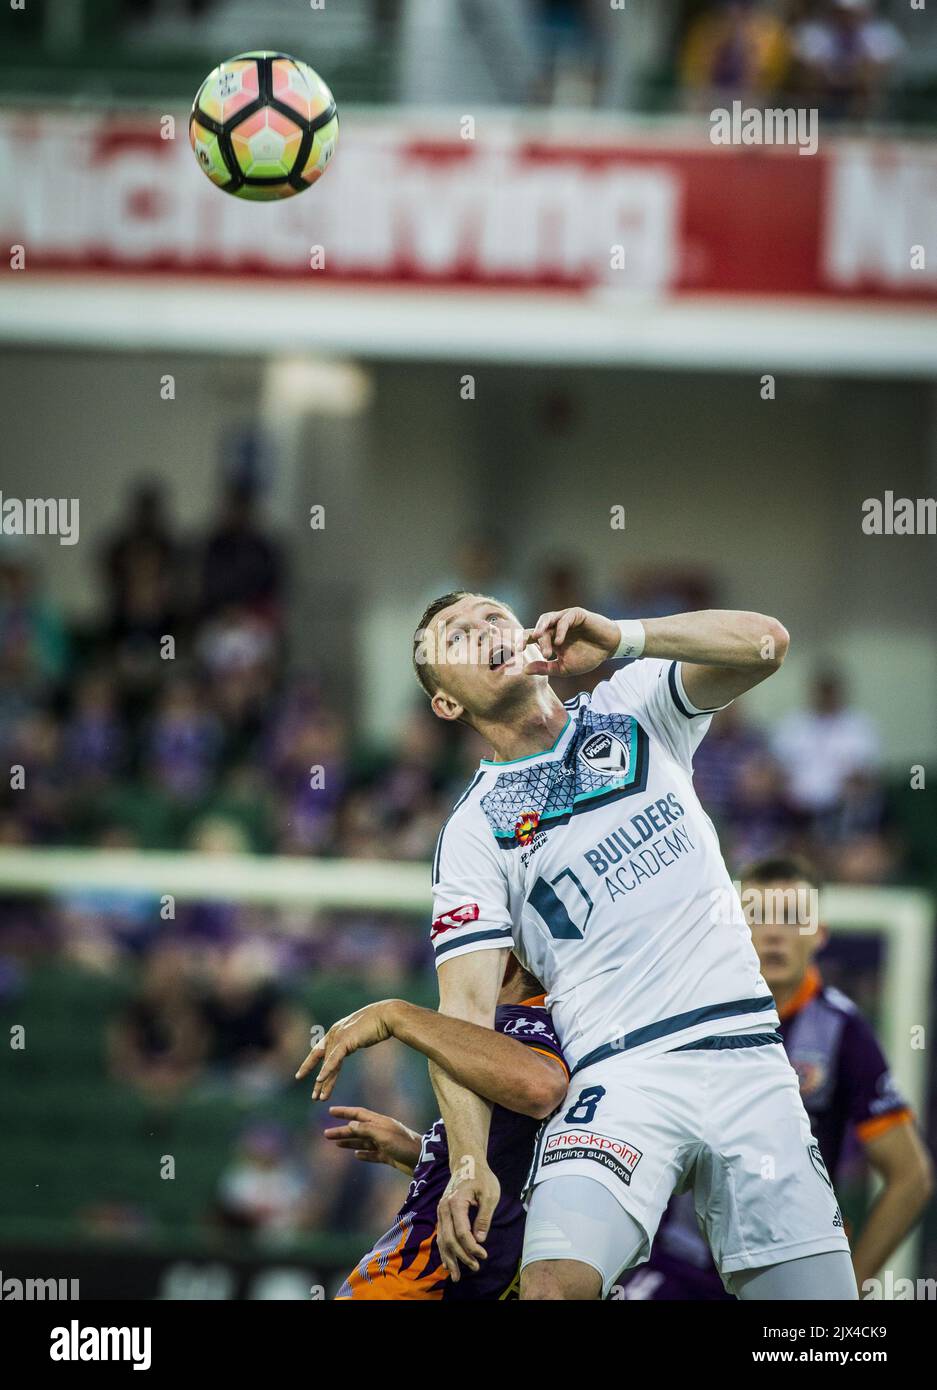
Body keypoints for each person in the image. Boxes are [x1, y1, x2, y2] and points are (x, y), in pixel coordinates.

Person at [409, 594, 856, 1300]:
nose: (483, 631)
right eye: (455, 637)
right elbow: (463, 1018)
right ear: (446, 704)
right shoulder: (471, 832)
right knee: (550, 1291)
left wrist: (624, 637)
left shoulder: (631, 704)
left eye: (492, 617)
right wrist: (468, 1161)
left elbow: (767, 643)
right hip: (618, 1079)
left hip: (747, 1060)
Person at [618, 855, 933, 1300]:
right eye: (757, 916)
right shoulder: (683, 1014)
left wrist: (850, 1285)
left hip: (786, 1269)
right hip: (678, 1263)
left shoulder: (843, 1032)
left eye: (791, 917)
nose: (774, 933)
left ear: (819, 933)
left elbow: (911, 1176)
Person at [296, 954, 568, 1299]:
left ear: (505, 965)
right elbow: (511, 1152)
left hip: (418, 1277)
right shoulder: (540, 1035)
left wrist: (393, 1015)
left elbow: (540, 1086)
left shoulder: (516, 1020)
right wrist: (422, 1150)